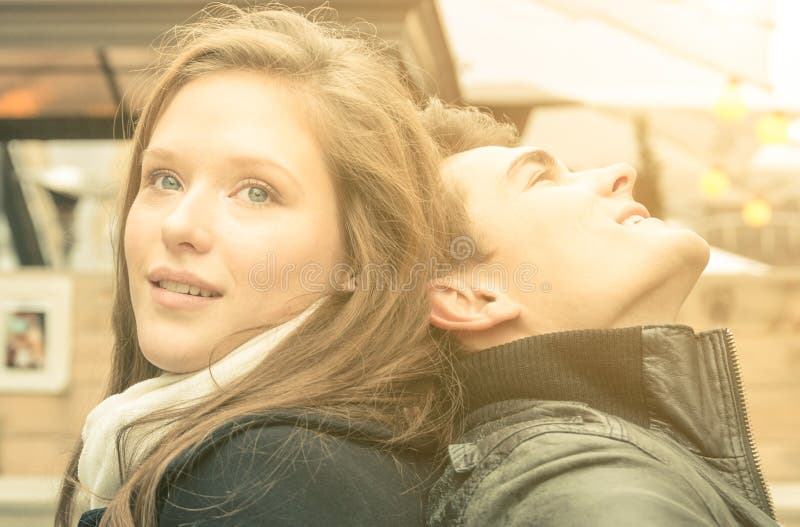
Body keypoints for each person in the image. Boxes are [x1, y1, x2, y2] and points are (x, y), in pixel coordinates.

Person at [54, 6, 468, 526]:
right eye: (164, 179)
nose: (180, 224)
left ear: (361, 256)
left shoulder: (270, 481)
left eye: (255, 192)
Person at [420, 99, 779, 526]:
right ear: (472, 297)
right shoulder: (580, 485)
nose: (621, 172)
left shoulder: (583, 467)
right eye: (541, 180)